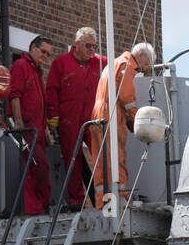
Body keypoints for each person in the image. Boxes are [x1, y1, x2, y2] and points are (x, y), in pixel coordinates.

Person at [89, 42, 155, 207]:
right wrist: (137, 121)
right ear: (140, 55)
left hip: (98, 114)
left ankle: (102, 203)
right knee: (116, 159)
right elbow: (127, 97)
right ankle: (121, 200)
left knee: (101, 162)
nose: (142, 69)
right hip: (111, 113)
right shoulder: (126, 65)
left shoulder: (114, 64)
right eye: (145, 64)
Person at [45, 27, 104, 210]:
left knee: (103, 157)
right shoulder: (60, 63)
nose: (91, 50)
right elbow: (52, 90)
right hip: (69, 121)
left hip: (93, 119)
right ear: (77, 44)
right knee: (73, 159)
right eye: (88, 46)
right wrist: (53, 115)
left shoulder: (101, 63)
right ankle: (76, 200)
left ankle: (104, 198)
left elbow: (118, 70)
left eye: (94, 47)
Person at [9, 35, 54, 215]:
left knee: (39, 166)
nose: (45, 56)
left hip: (38, 130)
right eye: (43, 51)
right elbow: (15, 95)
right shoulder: (21, 67)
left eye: (48, 54)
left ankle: (40, 205)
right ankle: (35, 207)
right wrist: (19, 123)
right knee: (36, 166)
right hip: (28, 130)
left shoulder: (37, 70)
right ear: (33, 48)